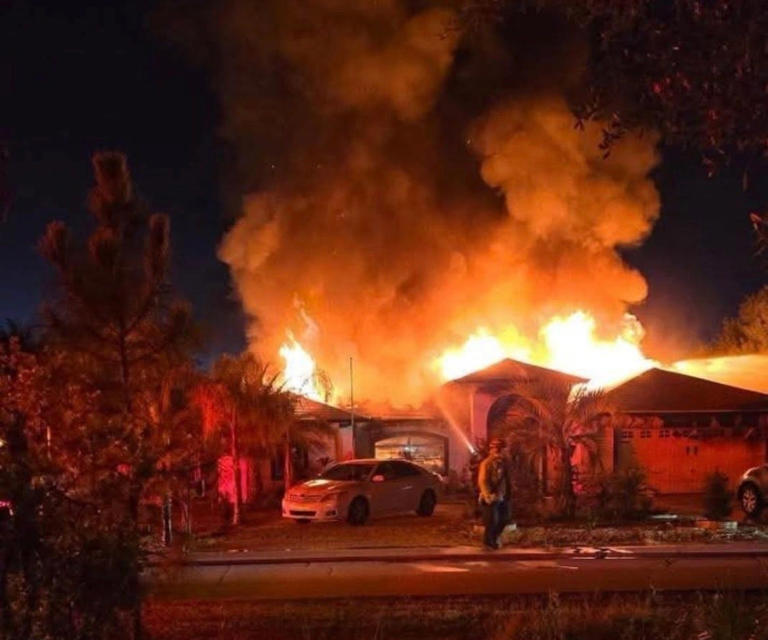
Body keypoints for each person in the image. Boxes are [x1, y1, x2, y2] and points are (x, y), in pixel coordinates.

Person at [477, 437, 511, 550]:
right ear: (491, 450)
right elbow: (483, 480)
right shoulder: (486, 463)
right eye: (496, 449)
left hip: (502, 496)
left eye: (501, 449)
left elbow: (507, 479)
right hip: (490, 497)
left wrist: (508, 494)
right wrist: (487, 495)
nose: (499, 452)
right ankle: (489, 543)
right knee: (492, 521)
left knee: (505, 518)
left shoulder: (504, 463)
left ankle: (493, 539)